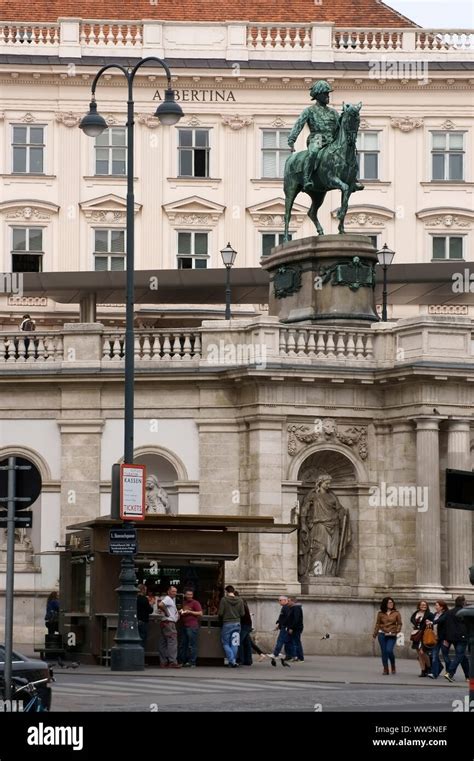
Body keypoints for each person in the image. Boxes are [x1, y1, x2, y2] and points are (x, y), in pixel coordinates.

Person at [287, 80, 341, 193]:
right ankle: (307, 179)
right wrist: (292, 139)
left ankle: (351, 178)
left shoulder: (334, 113)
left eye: (328, 93)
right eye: (325, 94)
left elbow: (340, 128)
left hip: (332, 140)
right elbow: (299, 125)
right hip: (317, 138)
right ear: (318, 95)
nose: (328, 96)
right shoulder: (309, 111)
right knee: (313, 153)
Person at [372, 597, 402, 675]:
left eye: (392, 602)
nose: (391, 604)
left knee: (389, 650)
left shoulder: (396, 613)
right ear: (385, 604)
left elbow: (399, 623)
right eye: (389, 603)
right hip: (382, 634)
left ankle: (393, 665)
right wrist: (375, 634)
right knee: (384, 652)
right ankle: (385, 669)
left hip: (392, 634)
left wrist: (397, 631)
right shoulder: (380, 613)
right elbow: (378, 624)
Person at [218, 585, 245, 667]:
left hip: (227, 623)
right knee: (235, 643)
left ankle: (232, 661)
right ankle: (232, 661)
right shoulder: (240, 600)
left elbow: (220, 613)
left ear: (226, 592)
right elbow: (242, 613)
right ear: (233, 591)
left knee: (225, 643)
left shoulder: (224, 600)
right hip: (237, 624)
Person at [444, 595, 469, 683]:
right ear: (463, 602)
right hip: (462, 637)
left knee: (463, 657)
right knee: (459, 655)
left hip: (452, 637)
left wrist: (446, 638)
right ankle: (450, 672)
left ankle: (468, 676)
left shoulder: (449, 612)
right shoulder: (464, 612)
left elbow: (446, 625)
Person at [157, 585, 181, 668]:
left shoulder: (170, 599)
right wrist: (167, 613)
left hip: (165, 623)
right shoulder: (168, 599)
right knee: (172, 642)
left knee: (163, 642)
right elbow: (160, 605)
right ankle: (172, 662)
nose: (175, 593)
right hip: (169, 623)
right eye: (173, 591)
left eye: (175, 591)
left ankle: (163, 661)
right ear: (168, 592)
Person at [178, 589, 203, 667]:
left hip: (192, 626)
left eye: (191, 595)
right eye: (188, 594)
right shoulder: (184, 603)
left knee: (192, 644)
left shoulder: (195, 603)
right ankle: (183, 661)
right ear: (185, 595)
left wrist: (190, 612)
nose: (189, 596)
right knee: (183, 644)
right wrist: (180, 612)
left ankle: (192, 662)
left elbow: (200, 613)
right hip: (184, 625)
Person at [410, 600, 434, 677]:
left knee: (422, 652)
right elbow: (413, 621)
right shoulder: (415, 614)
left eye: (425, 605)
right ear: (419, 606)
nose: (424, 606)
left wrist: (428, 624)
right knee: (419, 654)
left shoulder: (430, 614)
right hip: (416, 635)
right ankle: (423, 670)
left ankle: (429, 668)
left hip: (425, 635)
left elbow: (432, 625)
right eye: (422, 605)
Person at [427, 600, 450, 679]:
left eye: (437, 605)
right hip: (435, 638)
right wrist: (429, 622)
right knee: (434, 655)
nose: (435, 607)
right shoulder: (435, 614)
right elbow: (433, 623)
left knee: (445, 656)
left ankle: (449, 673)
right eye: (435, 605)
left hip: (444, 638)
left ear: (441, 607)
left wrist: (432, 622)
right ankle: (434, 673)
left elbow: (441, 620)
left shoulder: (446, 614)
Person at [270, 595, 292, 667]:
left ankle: (276, 654)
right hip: (284, 626)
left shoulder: (286, 608)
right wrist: (279, 624)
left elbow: (287, 618)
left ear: (285, 600)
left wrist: (283, 625)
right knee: (287, 641)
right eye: (278, 600)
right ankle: (289, 655)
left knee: (280, 640)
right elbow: (282, 617)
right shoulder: (285, 607)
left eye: (280, 600)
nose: (279, 602)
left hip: (285, 627)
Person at [235, 591, 253, 666]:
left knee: (240, 641)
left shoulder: (240, 602)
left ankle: (241, 659)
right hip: (247, 624)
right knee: (247, 642)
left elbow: (241, 614)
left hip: (244, 625)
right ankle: (248, 660)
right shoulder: (242, 601)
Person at [287, 596, 304, 662]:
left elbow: (296, 619)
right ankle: (295, 656)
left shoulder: (296, 608)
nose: (287, 602)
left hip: (296, 628)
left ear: (293, 601)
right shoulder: (293, 608)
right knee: (294, 642)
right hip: (295, 628)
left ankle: (300, 657)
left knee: (296, 643)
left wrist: (291, 628)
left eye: (289, 601)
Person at [137, 584, 153, 650]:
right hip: (143, 621)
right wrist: (151, 604)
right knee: (142, 639)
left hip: (135, 621)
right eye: (145, 590)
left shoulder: (134, 598)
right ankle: (140, 656)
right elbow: (150, 610)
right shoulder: (144, 599)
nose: (146, 591)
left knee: (136, 639)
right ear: (143, 590)